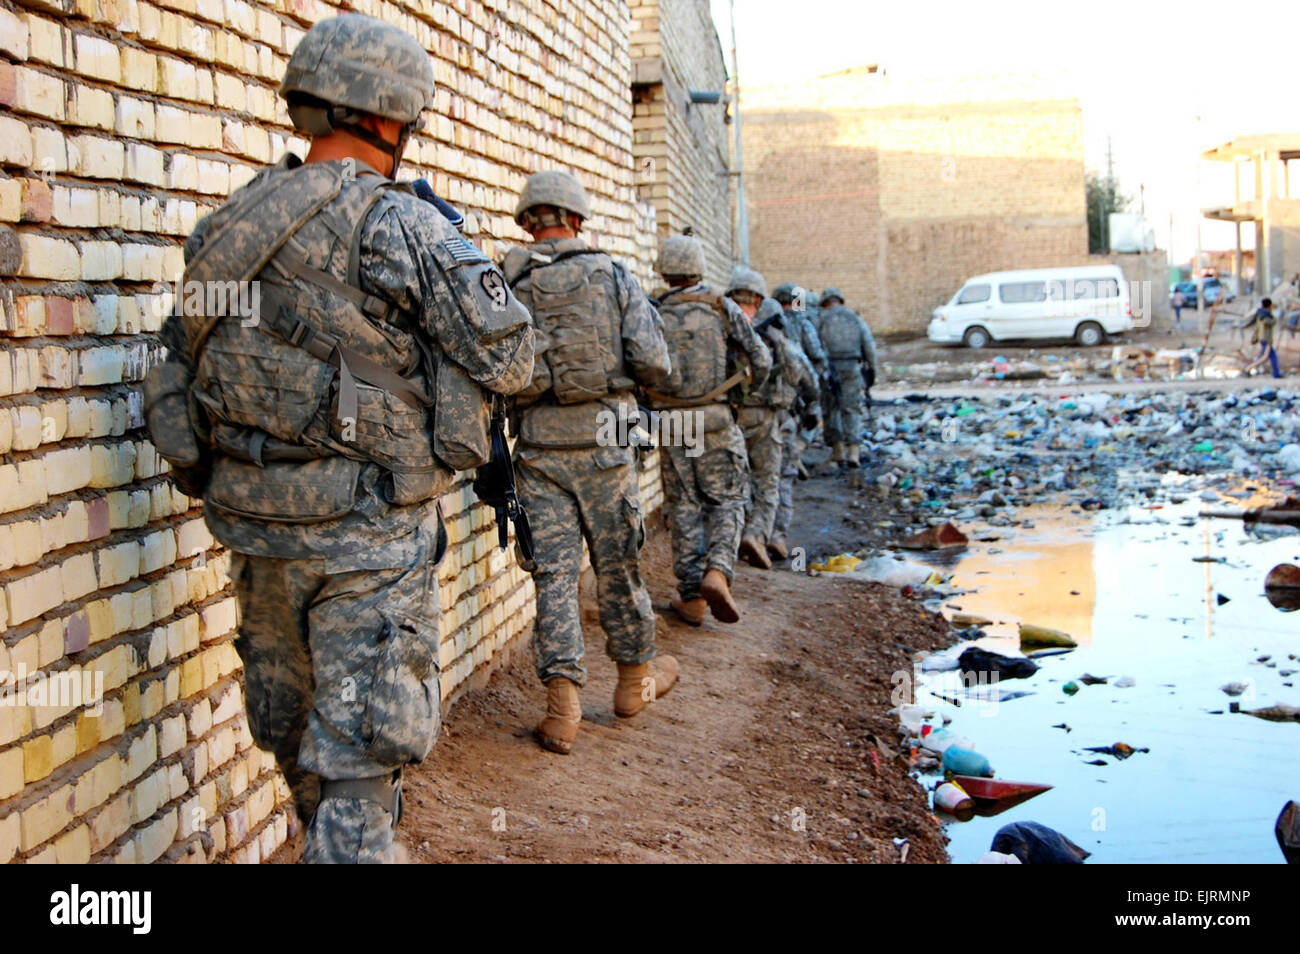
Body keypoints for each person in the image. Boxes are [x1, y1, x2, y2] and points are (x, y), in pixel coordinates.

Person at [142, 14, 536, 862]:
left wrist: (205, 471)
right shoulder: (403, 225)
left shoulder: (228, 227)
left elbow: (172, 370)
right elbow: (512, 356)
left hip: (252, 529)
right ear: (393, 118)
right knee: (359, 758)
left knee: (299, 750)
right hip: (368, 539)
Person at [501, 170, 677, 756]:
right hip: (605, 444)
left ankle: (562, 709)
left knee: (552, 576)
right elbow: (654, 365)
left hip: (539, 449)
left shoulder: (506, 282)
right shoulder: (613, 275)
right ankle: (633, 683)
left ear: (529, 223)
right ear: (577, 220)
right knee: (618, 565)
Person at [645, 237, 770, 625]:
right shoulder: (721, 305)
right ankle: (717, 572)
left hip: (673, 424)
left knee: (683, 507)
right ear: (699, 268)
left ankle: (691, 597)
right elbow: (761, 358)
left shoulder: (652, 310)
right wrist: (742, 392)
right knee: (728, 499)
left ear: (664, 270)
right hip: (716, 419)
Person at [746, 297, 818, 561]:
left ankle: (752, 532)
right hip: (783, 420)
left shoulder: (744, 346)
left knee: (749, 478)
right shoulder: (789, 347)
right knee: (782, 478)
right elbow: (812, 385)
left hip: (747, 418)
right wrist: (810, 410)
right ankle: (776, 536)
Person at [725, 266, 783, 568]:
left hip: (730, 416)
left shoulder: (721, 329)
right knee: (767, 481)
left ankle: (733, 540)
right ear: (758, 301)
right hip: (765, 416)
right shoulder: (770, 333)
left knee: (736, 480)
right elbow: (795, 371)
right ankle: (757, 534)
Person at [817, 287, 877, 469]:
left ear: (825, 303)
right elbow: (869, 345)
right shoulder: (854, 317)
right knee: (851, 408)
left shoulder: (821, 319)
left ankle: (838, 451)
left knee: (831, 409)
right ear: (840, 300)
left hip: (829, 369)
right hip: (852, 367)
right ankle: (854, 452)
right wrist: (871, 370)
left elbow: (814, 346)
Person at [1240, 297, 1282, 378]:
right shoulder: (1265, 315)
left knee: (1266, 357)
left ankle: (1276, 373)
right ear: (1269, 306)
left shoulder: (1261, 313)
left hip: (1263, 338)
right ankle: (1247, 369)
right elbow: (1269, 322)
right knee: (1267, 357)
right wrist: (1275, 318)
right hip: (1266, 339)